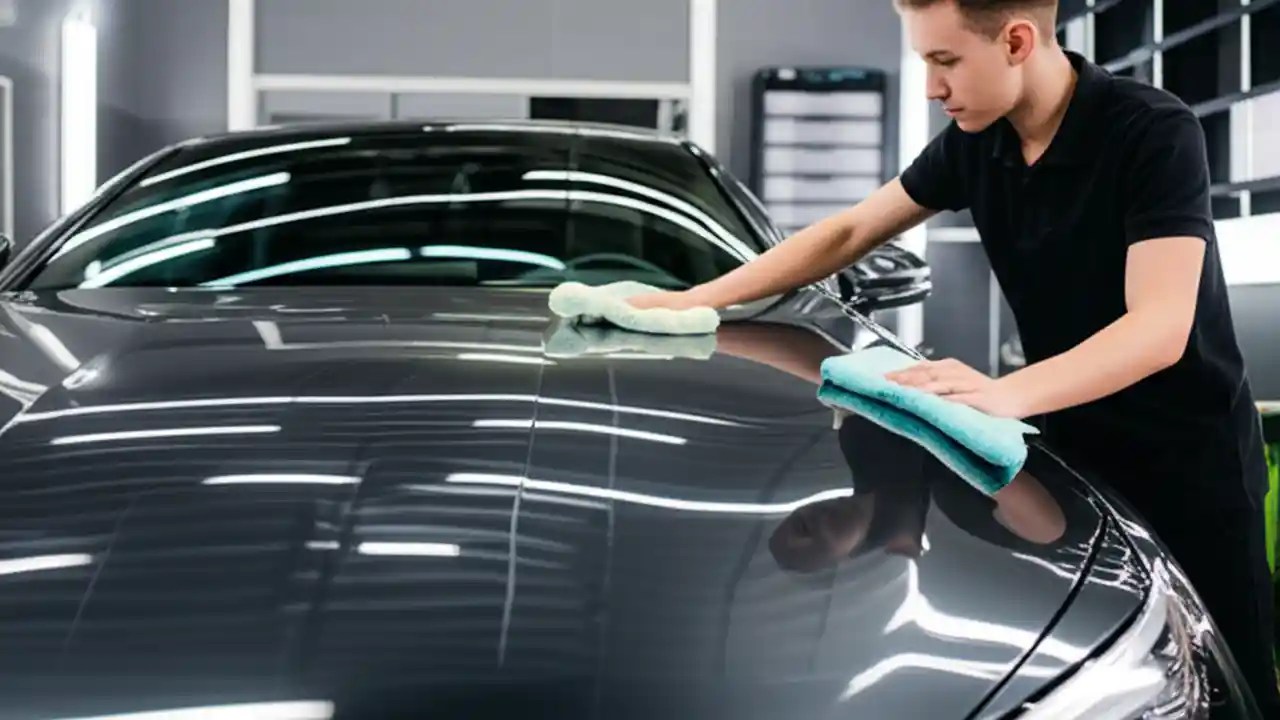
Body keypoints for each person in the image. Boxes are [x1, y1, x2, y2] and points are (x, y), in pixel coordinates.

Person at [629, 0, 1279, 713]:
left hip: (1189, 470)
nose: (931, 88)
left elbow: (1158, 328)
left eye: (945, 62)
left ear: (1017, 41)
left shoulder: (1151, 130)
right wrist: (694, 301)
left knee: (1228, 685)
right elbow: (849, 232)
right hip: (1066, 457)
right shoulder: (979, 142)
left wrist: (1004, 393)